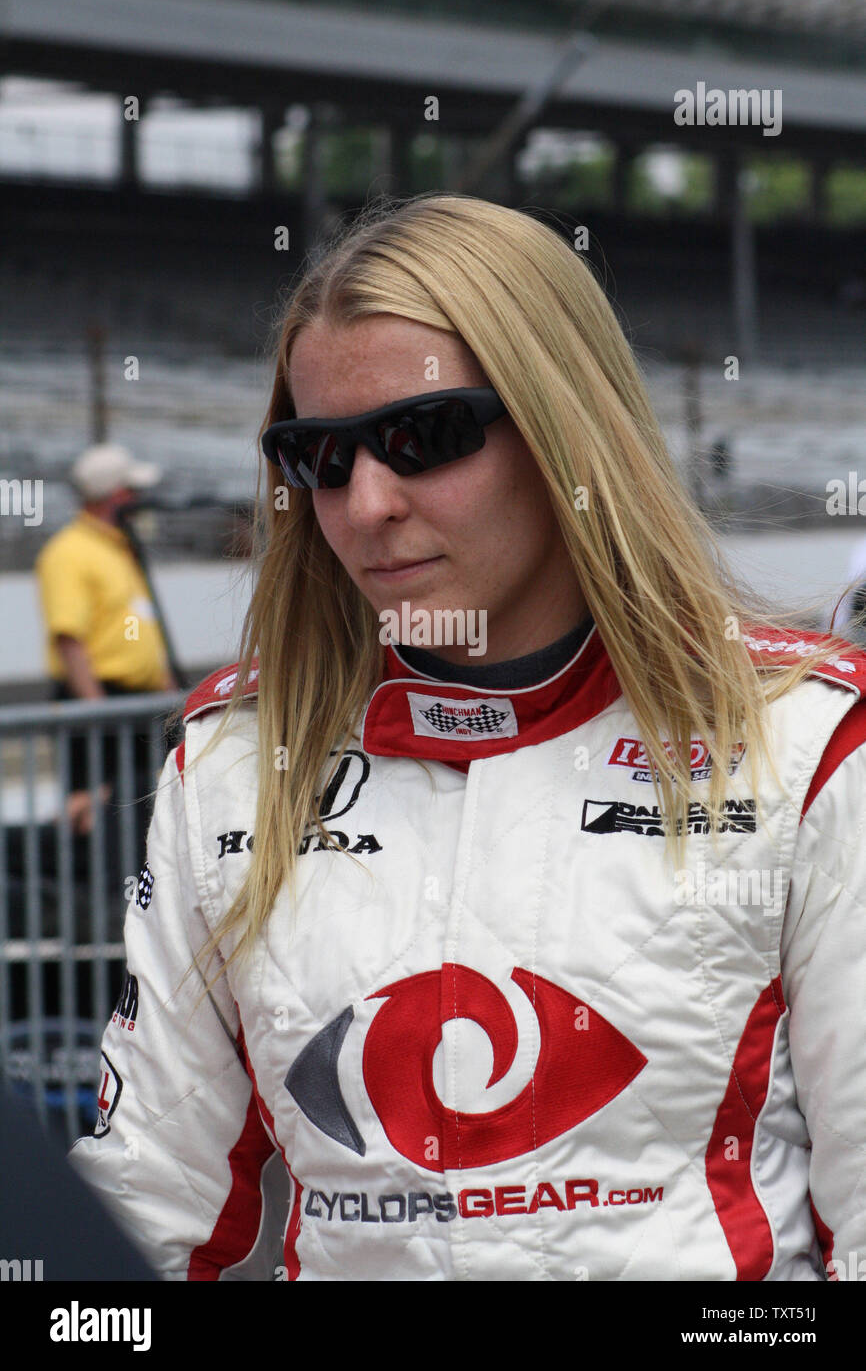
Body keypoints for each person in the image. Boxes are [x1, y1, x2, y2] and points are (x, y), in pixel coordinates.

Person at [69, 195, 866, 1282]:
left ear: (562, 431)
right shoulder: (230, 768)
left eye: (422, 436)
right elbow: (139, 1213)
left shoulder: (805, 743)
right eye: (320, 457)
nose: (365, 504)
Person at [35, 442, 177, 837]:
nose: (140, 502)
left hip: (133, 704)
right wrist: (98, 713)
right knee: (94, 806)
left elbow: (141, 632)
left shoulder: (115, 550)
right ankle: (83, 890)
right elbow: (69, 639)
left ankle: (118, 886)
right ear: (115, 496)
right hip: (98, 701)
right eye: (133, 493)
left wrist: (169, 701)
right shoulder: (70, 552)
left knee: (133, 804)